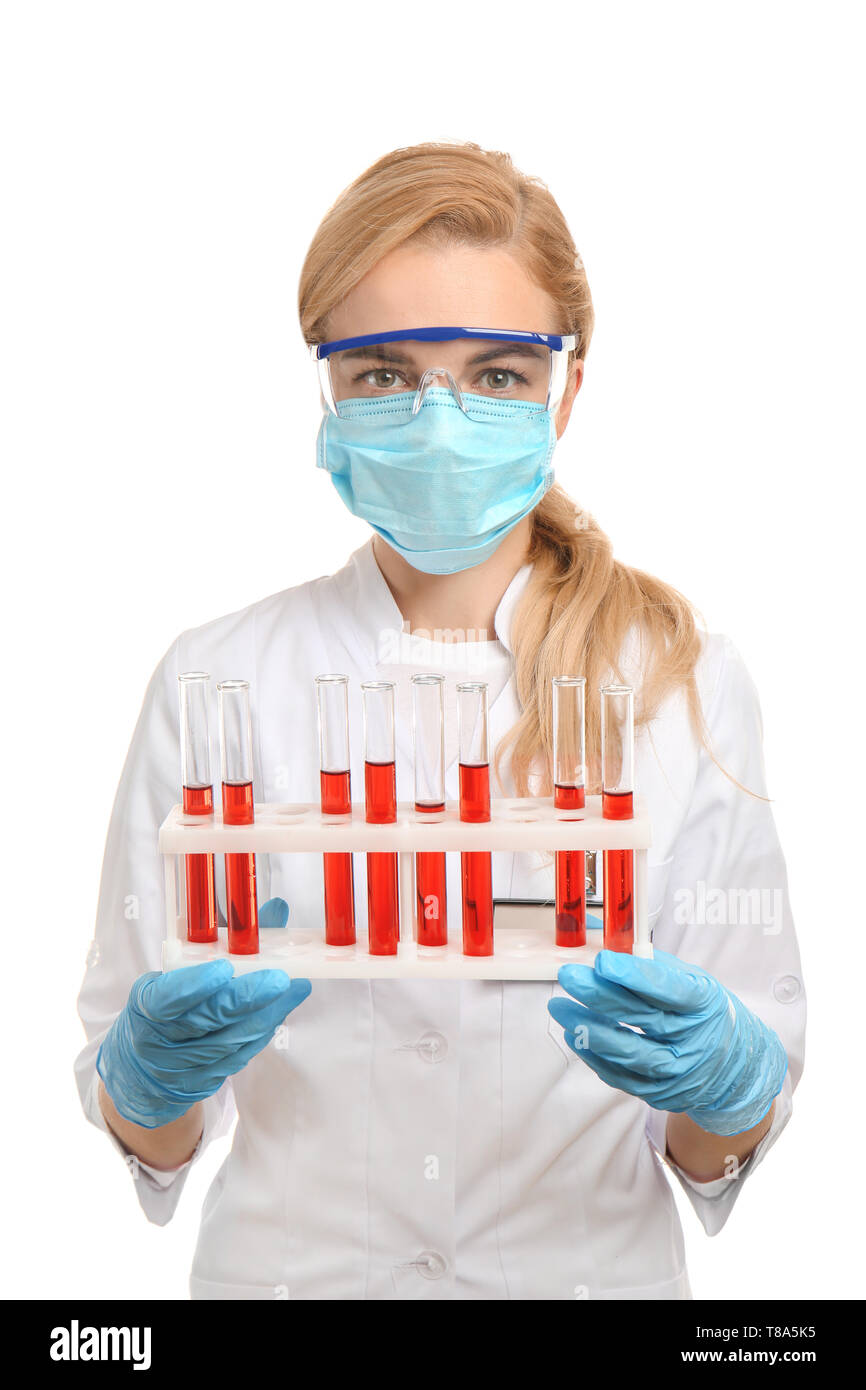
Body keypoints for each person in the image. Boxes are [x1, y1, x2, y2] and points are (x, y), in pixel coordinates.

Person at [76, 141, 805, 1301]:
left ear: (567, 388)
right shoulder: (215, 676)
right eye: (383, 373)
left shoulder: (679, 679)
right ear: (325, 387)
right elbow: (152, 1133)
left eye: (495, 375)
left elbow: (715, 1146)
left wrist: (723, 1087)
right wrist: (148, 1079)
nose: (437, 422)